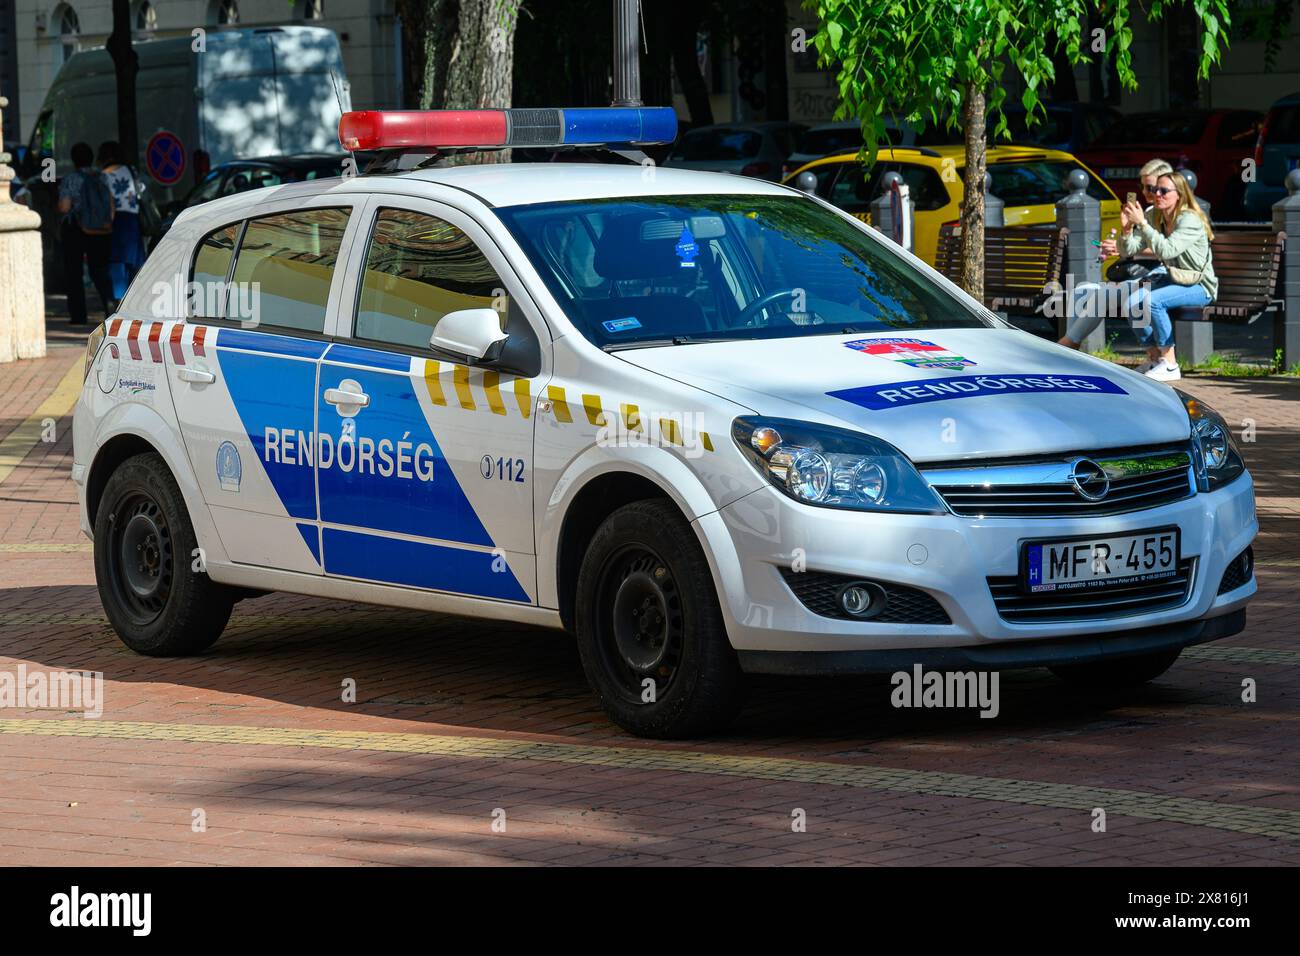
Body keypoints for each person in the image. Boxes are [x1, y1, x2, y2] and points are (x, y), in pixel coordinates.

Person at [57, 142, 115, 326]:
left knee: (73, 272)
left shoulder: (71, 179)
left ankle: (79, 316)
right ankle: (109, 307)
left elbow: (65, 206)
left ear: (74, 160)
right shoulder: (103, 177)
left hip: (76, 229)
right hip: (101, 229)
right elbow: (111, 205)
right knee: (100, 271)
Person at [98, 141, 146, 305]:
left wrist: (107, 221)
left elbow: (108, 201)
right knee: (134, 263)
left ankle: (120, 301)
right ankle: (136, 300)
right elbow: (140, 190)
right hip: (133, 219)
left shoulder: (104, 175)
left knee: (117, 263)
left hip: (117, 220)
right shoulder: (131, 170)